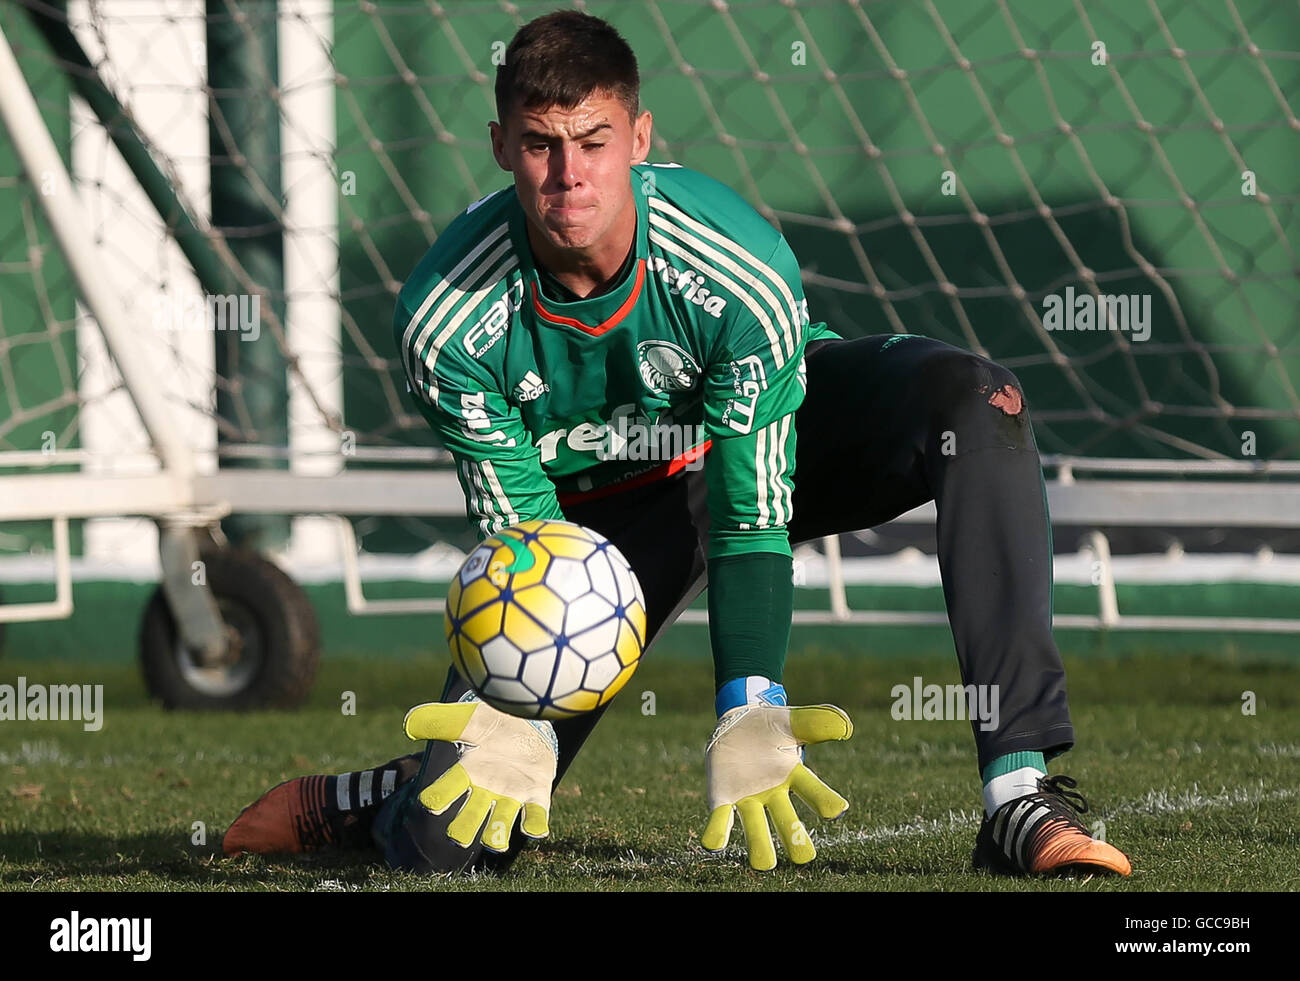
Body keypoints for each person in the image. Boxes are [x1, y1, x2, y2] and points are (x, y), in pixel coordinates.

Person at [224, 9, 1130, 878]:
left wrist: (749, 700)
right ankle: (378, 798)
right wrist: (517, 717)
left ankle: (1021, 794)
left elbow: (748, 509)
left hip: (762, 449)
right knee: (450, 841)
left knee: (978, 402)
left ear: (640, 139)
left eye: (593, 142)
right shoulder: (448, 320)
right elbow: (539, 549)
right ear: (502, 148)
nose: (567, 176)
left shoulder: (736, 266)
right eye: (540, 145)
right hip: (591, 529)